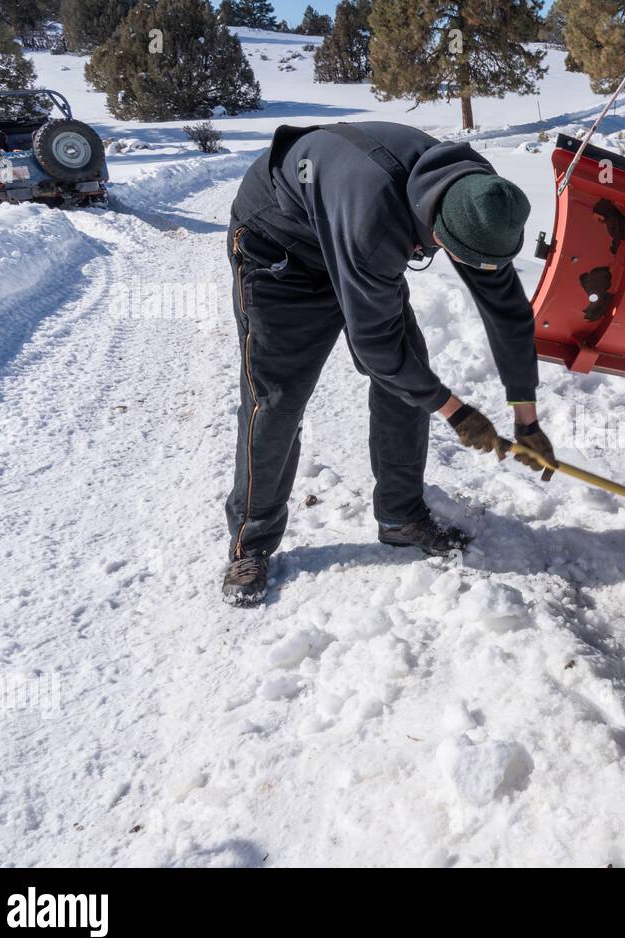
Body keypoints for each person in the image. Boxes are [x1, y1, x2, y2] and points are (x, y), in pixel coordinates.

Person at [221, 121, 554, 606]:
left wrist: (526, 415)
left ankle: (400, 516)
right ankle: (250, 544)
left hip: (351, 226)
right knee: (277, 399)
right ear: (438, 231)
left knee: (409, 377)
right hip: (282, 252)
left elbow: (507, 310)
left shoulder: (482, 199)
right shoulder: (374, 226)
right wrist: (458, 413)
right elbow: (378, 349)